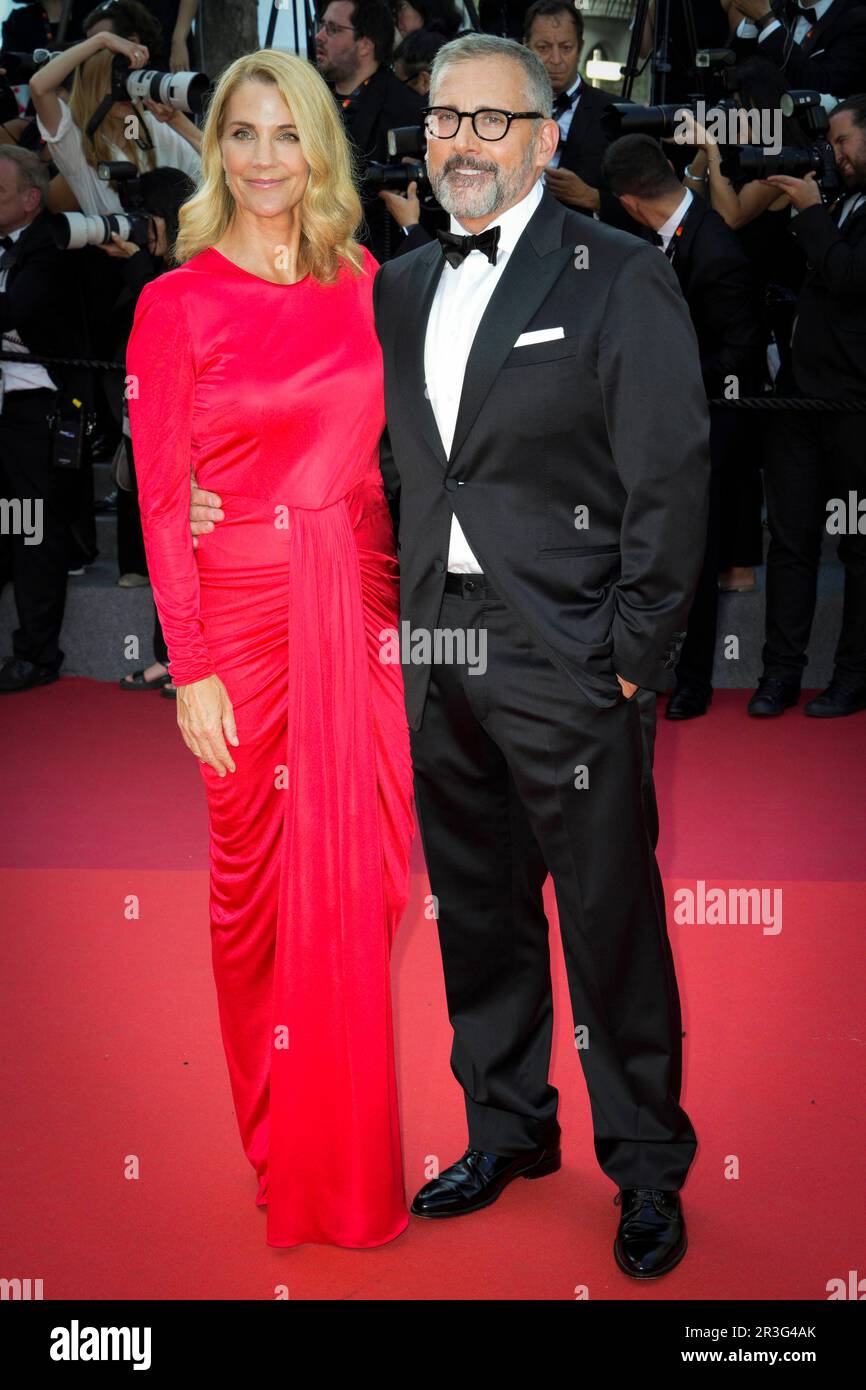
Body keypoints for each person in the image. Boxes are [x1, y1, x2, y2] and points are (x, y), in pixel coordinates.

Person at [194, 31, 712, 1277]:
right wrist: (220, 498)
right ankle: (507, 1128)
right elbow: (331, 437)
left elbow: (672, 475)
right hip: (428, 651)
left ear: (542, 137)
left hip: (574, 658)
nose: (461, 142)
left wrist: (632, 660)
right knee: (477, 913)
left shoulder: (617, 274)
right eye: (443, 119)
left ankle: (644, 1166)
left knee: (608, 922)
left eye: (490, 120)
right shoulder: (398, 283)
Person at [125, 47, 415, 1248]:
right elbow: (155, 499)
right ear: (213, 150)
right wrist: (187, 662)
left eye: (282, 134)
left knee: (371, 878)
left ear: (319, 146)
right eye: (238, 135)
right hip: (238, 622)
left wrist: (397, 621)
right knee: (253, 895)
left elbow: (398, 468)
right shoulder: (174, 301)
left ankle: (343, 1153)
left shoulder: (367, 280)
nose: (259, 159)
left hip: (355, 606)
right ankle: (283, 1144)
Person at [603, 133, 764, 720]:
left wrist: (662, 376)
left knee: (695, 554)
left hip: (712, 434)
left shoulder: (715, 250)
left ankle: (692, 682)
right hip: (669, 430)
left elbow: (740, 356)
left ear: (627, 202)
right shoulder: (668, 235)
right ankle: (662, 668)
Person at [747, 94, 866, 718]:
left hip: (855, 411)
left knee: (858, 548)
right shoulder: (839, 199)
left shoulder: (833, 208)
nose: (835, 154)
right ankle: (779, 675)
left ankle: (852, 676)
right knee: (790, 544)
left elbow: (850, 276)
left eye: (844, 142)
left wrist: (814, 211)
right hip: (798, 401)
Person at [0, 146, 94, 692]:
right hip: (7, 415)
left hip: (37, 418)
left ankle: (37, 655)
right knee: (13, 531)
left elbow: (17, 310)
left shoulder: (52, 246)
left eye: (1, 192)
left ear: (31, 200)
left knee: (31, 532)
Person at [315, 0, 424, 261]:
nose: (319, 36)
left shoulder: (407, 110)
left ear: (365, 44)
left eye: (332, 29)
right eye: (321, 26)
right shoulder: (311, 97)